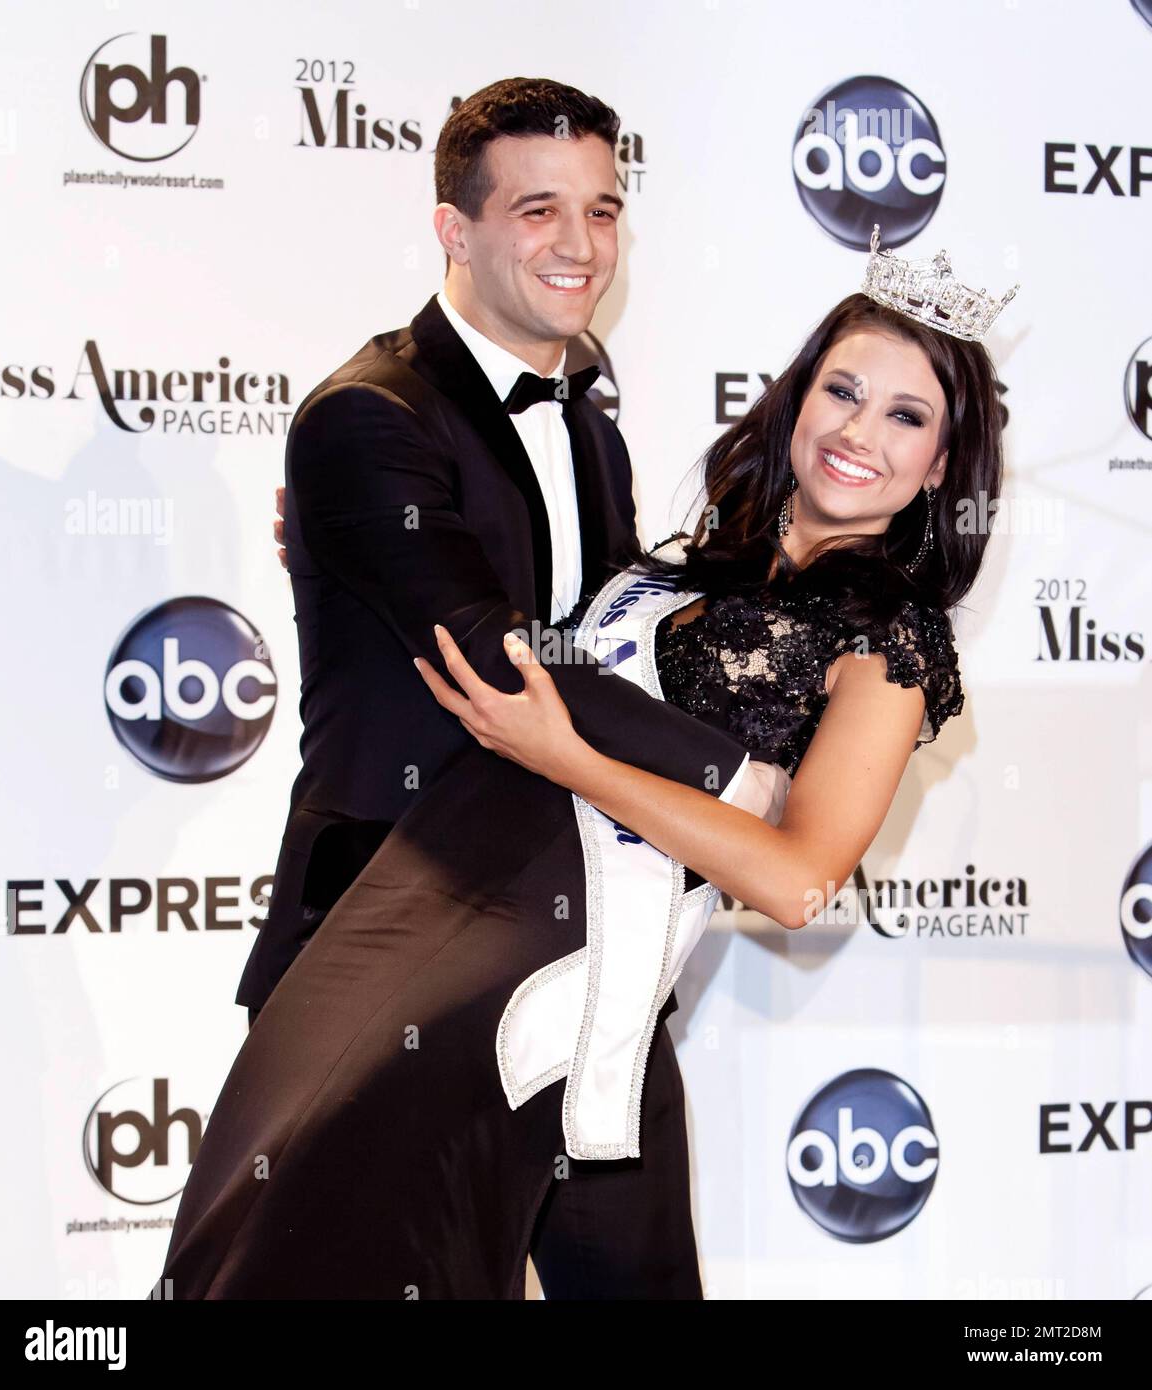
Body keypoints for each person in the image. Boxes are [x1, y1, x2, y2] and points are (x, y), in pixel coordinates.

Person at [149, 217, 1015, 1297]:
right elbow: (514, 632)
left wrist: (570, 759)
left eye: (906, 416)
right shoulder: (686, 559)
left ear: (941, 465)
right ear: (797, 399)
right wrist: (344, 538)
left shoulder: (889, 639)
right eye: (842, 391)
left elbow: (799, 879)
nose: (860, 434)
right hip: (481, 953)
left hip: (569, 1007)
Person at [224, 76, 768, 1299]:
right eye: (538, 210)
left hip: (590, 955)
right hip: (397, 948)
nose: (580, 245)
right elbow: (494, 651)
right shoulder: (366, 418)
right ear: (453, 227)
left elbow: (619, 644)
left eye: (603, 208)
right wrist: (740, 781)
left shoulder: (591, 418)